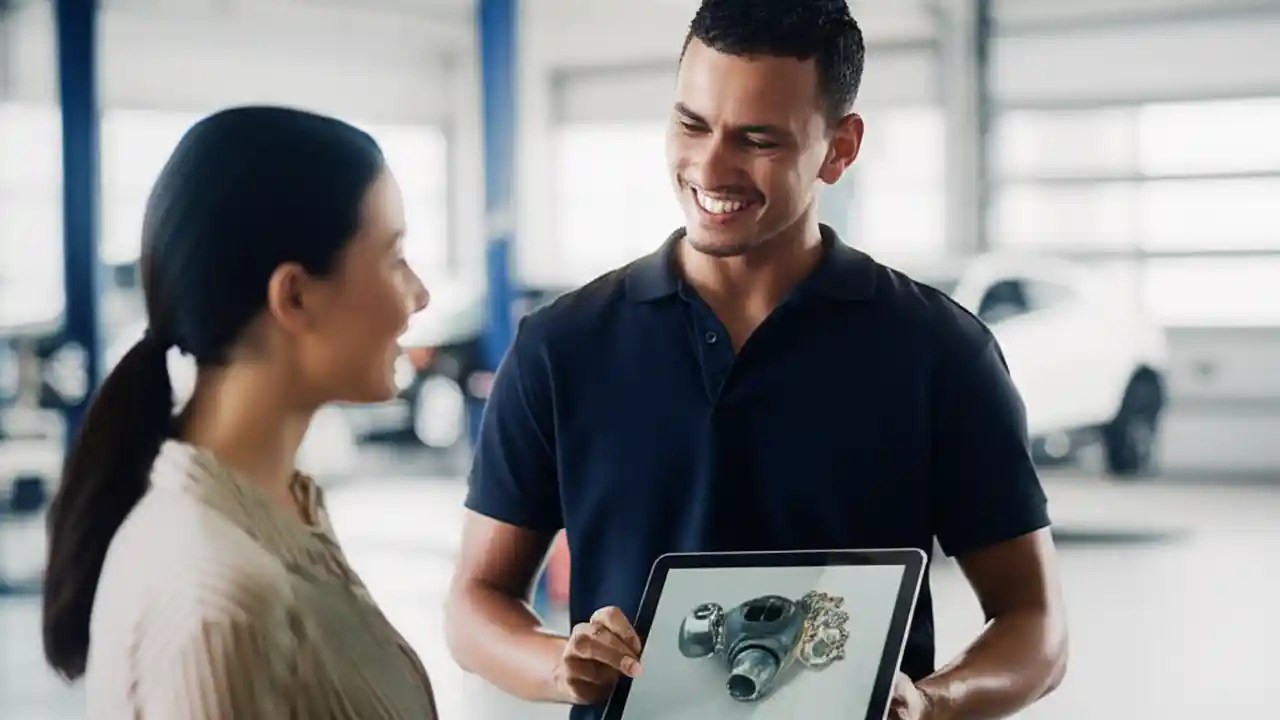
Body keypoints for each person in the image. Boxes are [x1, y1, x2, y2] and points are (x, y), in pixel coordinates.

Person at [445, 1, 1068, 718]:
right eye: (692, 124)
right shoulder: (563, 346)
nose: (711, 167)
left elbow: (1036, 626)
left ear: (839, 149)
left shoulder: (940, 352)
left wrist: (932, 703)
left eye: (758, 139)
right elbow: (475, 603)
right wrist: (559, 666)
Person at [42, 106, 439, 718]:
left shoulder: (279, 514)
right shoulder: (219, 598)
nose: (420, 295)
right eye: (394, 257)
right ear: (295, 295)